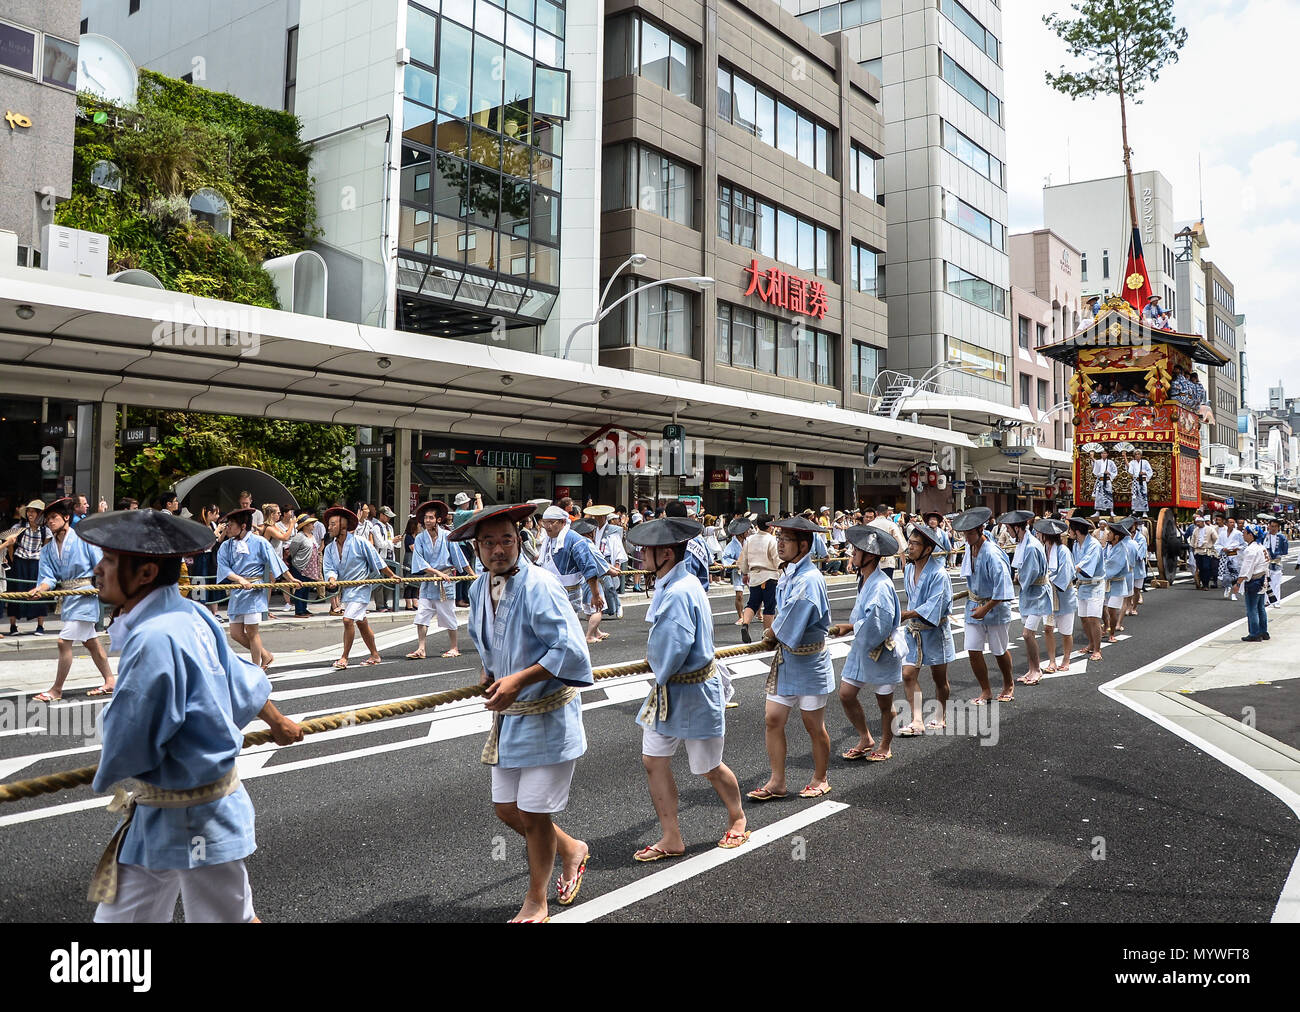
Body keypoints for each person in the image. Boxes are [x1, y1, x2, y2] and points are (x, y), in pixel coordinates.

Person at [76, 508, 302, 922]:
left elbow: (132, 731)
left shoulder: (154, 638)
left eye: (109, 561)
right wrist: (276, 720)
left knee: (226, 919)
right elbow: (239, 679)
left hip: (198, 810)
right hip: (166, 808)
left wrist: (107, 767)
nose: (99, 570)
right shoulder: (189, 613)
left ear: (144, 574)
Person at [451, 502, 592, 922]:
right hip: (510, 716)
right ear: (477, 548)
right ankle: (572, 848)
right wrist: (491, 671)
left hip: (548, 715)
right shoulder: (480, 588)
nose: (499, 550)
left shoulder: (540, 585)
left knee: (533, 812)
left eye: (507, 540)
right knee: (506, 809)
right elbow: (491, 641)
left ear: (520, 541)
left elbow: (568, 648)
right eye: (489, 542)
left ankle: (537, 898)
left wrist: (517, 680)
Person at [625, 516, 748, 860]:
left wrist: (655, 660)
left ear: (665, 553)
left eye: (647, 550)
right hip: (671, 689)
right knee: (653, 760)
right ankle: (671, 836)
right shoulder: (675, 581)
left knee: (710, 765)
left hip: (693, 690)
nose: (641, 554)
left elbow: (672, 649)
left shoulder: (679, 591)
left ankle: (737, 817)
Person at [748, 515, 835, 802]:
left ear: (803, 544)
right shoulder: (790, 573)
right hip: (788, 660)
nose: (780, 544)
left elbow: (791, 622)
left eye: (785, 540)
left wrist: (772, 631)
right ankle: (777, 780)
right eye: (780, 538)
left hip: (810, 661)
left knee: (813, 724)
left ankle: (820, 778)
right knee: (773, 718)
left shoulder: (809, 579)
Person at [28, 499, 116, 701]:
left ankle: (57, 689)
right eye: (48, 519)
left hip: (85, 594)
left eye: (54, 517)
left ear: (66, 517)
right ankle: (110, 681)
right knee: (91, 643)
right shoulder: (48, 550)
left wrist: (105, 587)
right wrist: (40, 588)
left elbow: (101, 565)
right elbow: (48, 577)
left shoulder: (83, 539)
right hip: (68, 597)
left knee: (63, 642)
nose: (50, 522)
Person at [831, 525, 903, 762]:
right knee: (846, 693)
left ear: (870, 555)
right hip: (863, 645)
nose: (852, 553)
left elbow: (878, 623)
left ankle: (885, 744)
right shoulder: (865, 578)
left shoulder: (881, 584)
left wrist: (851, 627)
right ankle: (865, 737)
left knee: (884, 702)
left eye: (856, 550)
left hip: (881, 647)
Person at [216, 507, 298, 670]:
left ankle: (256, 667)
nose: (228, 528)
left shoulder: (259, 541)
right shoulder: (227, 545)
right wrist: (239, 579)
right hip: (238, 589)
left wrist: (290, 578)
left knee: (252, 632)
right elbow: (223, 567)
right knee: (235, 633)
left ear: (243, 526)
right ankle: (265, 655)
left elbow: (275, 560)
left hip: (254, 589)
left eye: (231, 525)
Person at [894, 522, 955, 735]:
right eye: (909, 542)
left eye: (915, 544)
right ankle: (917, 720)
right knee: (908, 674)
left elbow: (935, 606)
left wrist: (906, 614)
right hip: (914, 631)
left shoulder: (939, 574)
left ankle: (941, 715)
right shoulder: (909, 568)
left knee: (940, 679)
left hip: (934, 630)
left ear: (928, 549)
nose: (910, 547)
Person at [953, 507, 1015, 704]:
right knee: (972, 648)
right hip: (974, 604)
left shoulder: (992, 553)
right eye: (965, 533)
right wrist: (978, 608)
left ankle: (1008, 683)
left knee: (999, 650)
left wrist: (985, 608)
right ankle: (986, 690)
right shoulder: (970, 548)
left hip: (994, 607)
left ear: (980, 530)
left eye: (970, 533)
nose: (967, 537)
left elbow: (1004, 588)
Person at [322, 506, 396, 669]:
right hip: (347, 590)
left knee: (348, 620)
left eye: (333, 524)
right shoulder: (329, 548)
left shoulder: (360, 542)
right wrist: (332, 578)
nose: (329, 527)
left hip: (361, 587)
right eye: (329, 524)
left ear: (343, 525)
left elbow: (378, 561)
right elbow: (329, 568)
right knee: (361, 622)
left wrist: (392, 576)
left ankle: (344, 657)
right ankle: (375, 655)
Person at [536, 505, 607, 642]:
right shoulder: (548, 539)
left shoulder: (575, 540)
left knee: (566, 625)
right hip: (547, 589)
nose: (547, 526)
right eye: (545, 522)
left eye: (552, 522)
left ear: (563, 522)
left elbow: (589, 568)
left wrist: (596, 594)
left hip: (568, 591)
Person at [404, 501, 466, 659]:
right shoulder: (419, 538)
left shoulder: (447, 536)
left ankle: (454, 647)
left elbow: (458, 557)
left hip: (445, 582)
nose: (427, 521)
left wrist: (471, 575)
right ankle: (421, 648)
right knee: (422, 615)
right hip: (429, 581)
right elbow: (419, 561)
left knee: (448, 615)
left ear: (438, 520)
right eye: (426, 518)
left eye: (431, 518)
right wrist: (436, 573)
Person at [1000, 511, 1050, 687]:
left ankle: (1037, 670)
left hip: (1038, 593)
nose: (1007, 531)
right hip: (1031, 593)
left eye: (1008, 528)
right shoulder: (1024, 542)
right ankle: (1031, 669)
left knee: (1027, 634)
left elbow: (1029, 573)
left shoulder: (1030, 546)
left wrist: (1017, 579)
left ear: (1017, 527)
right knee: (1029, 635)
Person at [1035, 518, 1076, 677]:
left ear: (1047, 535)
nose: (1038, 536)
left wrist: (1048, 579)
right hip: (1048, 593)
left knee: (1066, 631)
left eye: (1041, 533)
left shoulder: (1063, 550)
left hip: (1062, 593)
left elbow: (1066, 574)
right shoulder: (1042, 549)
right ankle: (1052, 660)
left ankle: (1066, 659)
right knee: (1047, 629)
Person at [8, 499, 51, 636]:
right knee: (15, 591)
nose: (30, 514)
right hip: (20, 560)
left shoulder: (45, 530)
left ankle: (40, 626)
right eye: (29, 511)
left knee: (38, 592)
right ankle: (13, 626)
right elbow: (10, 544)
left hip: (36, 562)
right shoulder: (18, 527)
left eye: (33, 512)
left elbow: (46, 547)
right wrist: (13, 559)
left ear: (39, 514)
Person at [736, 513, 780, 644]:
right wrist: (784, 572)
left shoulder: (750, 539)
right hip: (769, 576)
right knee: (769, 606)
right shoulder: (771, 540)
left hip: (754, 576)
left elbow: (744, 559)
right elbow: (776, 559)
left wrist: (744, 573)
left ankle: (745, 623)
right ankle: (767, 635)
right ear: (769, 526)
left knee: (753, 603)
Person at [1070, 516, 1104, 661]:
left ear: (1076, 531)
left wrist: (1073, 570)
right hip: (1082, 584)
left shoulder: (1094, 545)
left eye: (1070, 529)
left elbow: (1083, 564)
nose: (1068, 532)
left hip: (1095, 584)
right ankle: (1090, 644)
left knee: (1093, 618)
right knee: (1083, 618)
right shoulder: (1076, 545)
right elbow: (1073, 563)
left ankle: (1097, 649)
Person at [586, 505, 627, 620]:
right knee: (596, 586)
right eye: (596, 517)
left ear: (604, 517)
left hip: (607, 559)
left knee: (609, 586)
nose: (597, 519)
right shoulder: (593, 530)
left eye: (600, 517)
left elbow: (617, 548)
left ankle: (618, 605)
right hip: (596, 559)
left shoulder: (612, 530)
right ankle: (602, 608)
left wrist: (617, 564)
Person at [1234, 526, 1270, 642]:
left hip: (1254, 581)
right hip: (1263, 579)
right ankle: (1263, 632)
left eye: (1244, 533)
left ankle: (1254, 633)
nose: (1243, 534)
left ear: (1251, 535)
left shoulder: (1251, 550)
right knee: (1260, 608)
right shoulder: (1261, 547)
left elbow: (1246, 569)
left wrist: (1238, 583)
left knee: (1252, 609)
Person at [1101, 522, 1132, 643]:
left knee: (1112, 610)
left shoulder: (1121, 549)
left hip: (1117, 583)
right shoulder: (1107, 547)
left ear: (1117, 537)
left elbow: (1112, 566)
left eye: (1110, 533)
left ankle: (1112, 633)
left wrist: (1100, 572)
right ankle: (1106, 626)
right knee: (1103, 608)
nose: (1107, 534)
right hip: (1106, 582)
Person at [284, 514, 316, 618]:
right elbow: (293, 550)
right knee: (300, 588)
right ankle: (299, 610)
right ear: (305, 525)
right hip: (300, 566)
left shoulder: (312, 536)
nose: (313, 525)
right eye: (311, 523)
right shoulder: (299, 537)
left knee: (306, 588)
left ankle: (304, 608)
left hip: (309, 567)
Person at [721, 517, 751, 621]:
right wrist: (734, 562)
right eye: (746, 531)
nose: (748, 532)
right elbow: (725, 557)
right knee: (739, 595)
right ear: (741, 533)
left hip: (750, 571)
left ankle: (759, 613)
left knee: (756, 593)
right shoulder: (732, 545)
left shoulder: (749, 542)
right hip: (738, 572)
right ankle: (740, 616)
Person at [1217, 516, 1244, 602]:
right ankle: (1227, 587)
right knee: (1225, 574)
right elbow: (1217, 544)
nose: (1232, 524)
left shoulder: (1238, 533)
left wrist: (1238, 548)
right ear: (1226, 524)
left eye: (1233, 522)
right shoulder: (1222, 533)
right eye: (1230, 522)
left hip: (1235, 556)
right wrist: (1222, 548)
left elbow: (1244, 544)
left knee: (1235, 576)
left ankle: (1234, 594)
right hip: (1225, 555)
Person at [1190, 515, 1218, 590]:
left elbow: (1216, 538)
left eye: (1199, 522)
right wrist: (1193, 548)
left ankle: (1206, 584)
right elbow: (1192, 540)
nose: (1197, 524)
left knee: (1206, 567)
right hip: (1198, 550)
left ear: (1203, 522)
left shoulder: (1210, 529)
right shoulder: (1195, 530)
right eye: (1197, 522)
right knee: (1200, 568)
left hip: (1207, 550)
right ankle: (1202, 582)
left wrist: (1212, 545)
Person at [1265, 519, 1288, 607]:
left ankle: (1276, 601)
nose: (1273, 528)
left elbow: (1285, 550)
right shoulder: (1265, 536)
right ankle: (1267, 600)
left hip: (1277, 562)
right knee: (1266, 583)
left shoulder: (1282, 537)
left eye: (1275, 526)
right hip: (1266, 563)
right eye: (1272, 526)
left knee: (1277, 583)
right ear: (1269, 526)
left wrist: (1278, 554)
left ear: (1278, 527)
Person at [1126, 450, 1154, 516]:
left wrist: (1144, 472)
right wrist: (1125, 457)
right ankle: (1134, 510)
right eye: (1136, 454)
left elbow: (1150, 471)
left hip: (1143, 481)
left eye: (1138, 454)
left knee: (1143, 495)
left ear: (1141, 455)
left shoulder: (1145, 462)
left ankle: (1144, 512)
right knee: (1135, 496)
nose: (1137, 455)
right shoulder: (1133, 462)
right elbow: (1129, 468)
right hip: (1136, 481)